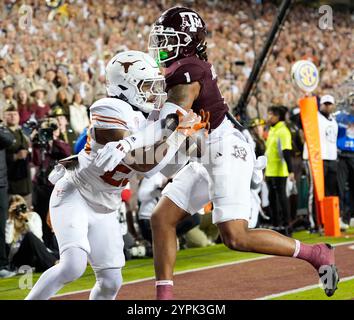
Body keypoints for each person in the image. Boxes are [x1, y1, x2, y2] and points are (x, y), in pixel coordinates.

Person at [143, 6, 338, 299]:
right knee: (162, 218)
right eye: (161, 39)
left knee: (235, 236)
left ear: (187, 42)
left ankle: (316, 253)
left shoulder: (188, 71)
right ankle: (165, 299)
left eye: (169, 39)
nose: (161, 46)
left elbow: (170, 123)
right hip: (204, 151)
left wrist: (136, 151)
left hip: (225, 150)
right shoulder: (178, 69)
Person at [25, 50, 200, 300]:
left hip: (106, 205)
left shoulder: (147, 118)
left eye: (154, 85)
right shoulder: (109, 108)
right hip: (78, 195)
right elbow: (143, 165)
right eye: (146, 86)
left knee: (110, 281)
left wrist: (186, 145)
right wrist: (176, 135)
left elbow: (166, 166)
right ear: (125, 86)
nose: (153, 93)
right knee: (73, 265)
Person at [5, 195, 57, 273]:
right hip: (19, 257)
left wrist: (27, 220)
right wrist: (11, 219)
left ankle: (45, 265)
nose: (18, 210)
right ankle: (54, 264)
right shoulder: (9, 221)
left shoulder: (33, 216)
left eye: (21, 207)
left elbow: (38, 236)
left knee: (31, 236)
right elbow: (8, 241)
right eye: (15, 208)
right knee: (29, 236)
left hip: (35, 255)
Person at [265, 106, 294, 235]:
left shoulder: (283, 131)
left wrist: (291, 170)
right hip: (270, 171)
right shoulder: (272, 130)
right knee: (272, 199)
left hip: (280, 171)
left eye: (271, 114)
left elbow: (287, 152)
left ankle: (287, 226)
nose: (269, 117)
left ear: (278, 116)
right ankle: (276, 224)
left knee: (282, 199)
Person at [4, 105, 32, 207]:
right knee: (13, 217)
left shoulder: (23, 133)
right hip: (11, 184)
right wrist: (15, 156)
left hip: (26, 182)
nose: (13, 116)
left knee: (27, 217)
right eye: (9, 114)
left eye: (15, 114)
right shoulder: (2, 133)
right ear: (4, 117)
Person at [0, 118, 15, 278]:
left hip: (1, 184)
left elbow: (9, 140)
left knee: (0, 226)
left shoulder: (2, 130)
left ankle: (1, 265)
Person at [336, 92, 354, 228]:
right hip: (342, 156)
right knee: (341, 188)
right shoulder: (340, 117)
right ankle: (342, 217)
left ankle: (351, 216)